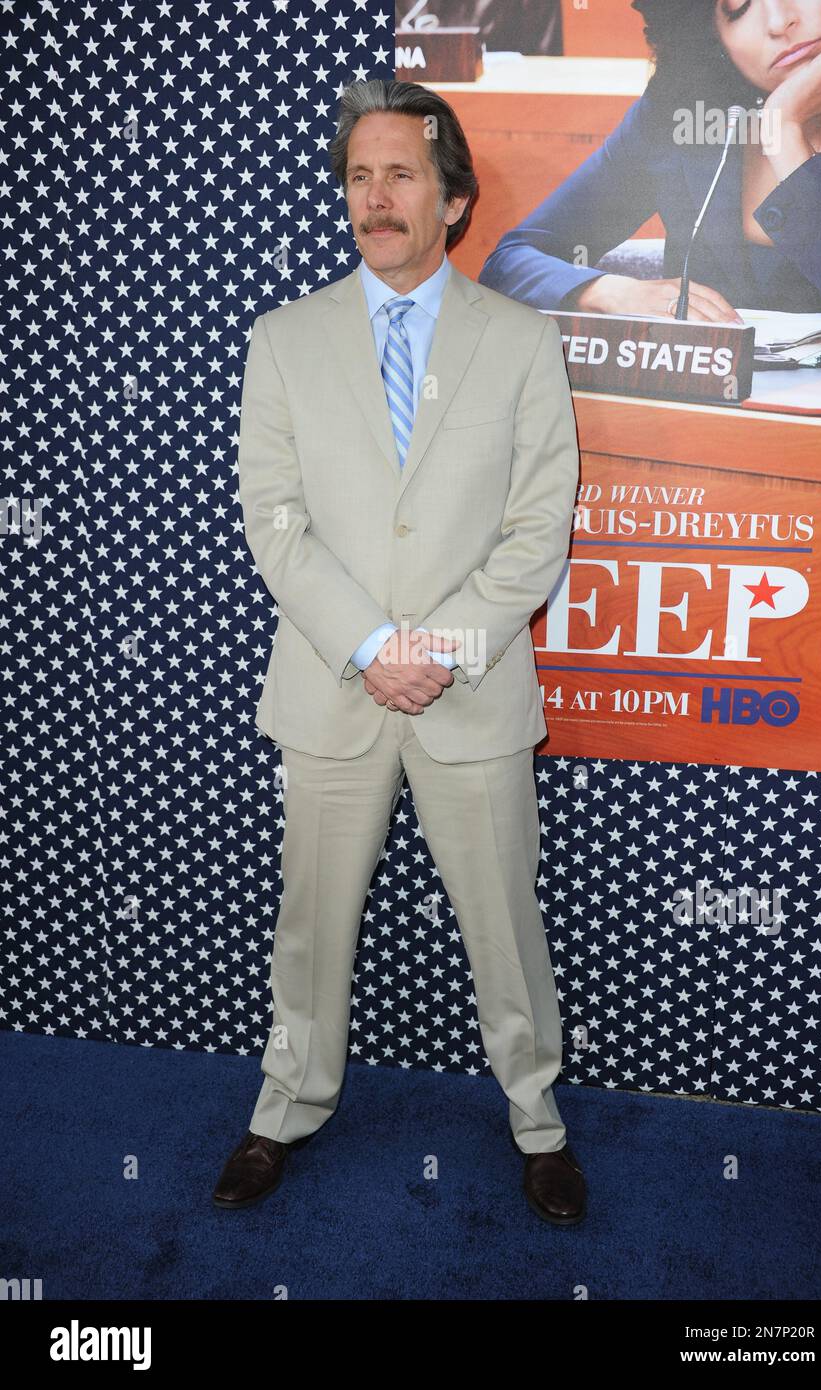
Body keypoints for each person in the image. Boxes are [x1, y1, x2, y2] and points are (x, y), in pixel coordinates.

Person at [212, 78, 585, 1225]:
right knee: (310, 918)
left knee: (503, 925)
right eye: (360, 175)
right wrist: (375, 646)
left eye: (403, 174)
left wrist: (436, 650)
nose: (378, 197)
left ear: (455, 198)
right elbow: (271, 517)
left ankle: (537, 1117)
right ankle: (287, 1103)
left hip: (470, 693)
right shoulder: (284, 341)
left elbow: (538, 524)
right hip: (334, 690)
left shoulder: (521, 342)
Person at [478, 0, 821, 343]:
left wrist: (784, 129)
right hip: (706, 418)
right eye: (736, 7)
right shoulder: (679, 120)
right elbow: (509, 263)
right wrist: (613, 293)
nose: (779, 21)